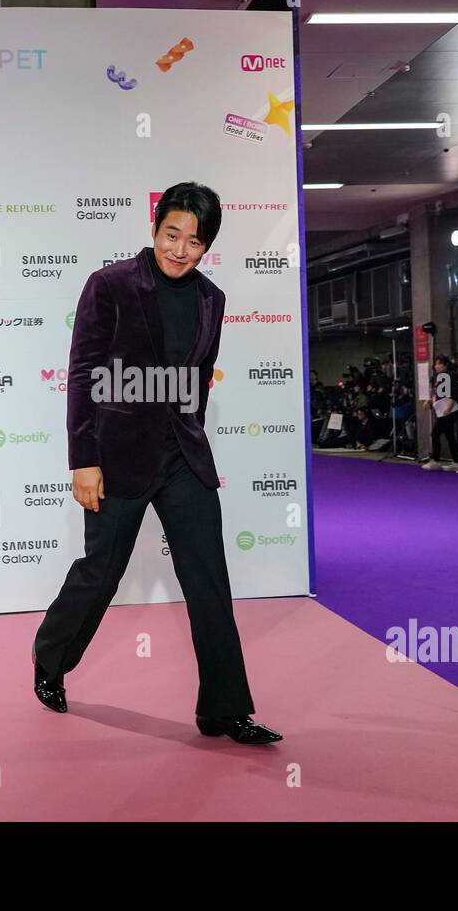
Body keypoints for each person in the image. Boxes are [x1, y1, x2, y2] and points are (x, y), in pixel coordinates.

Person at [31, 181, 282, 745]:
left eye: (194, 241)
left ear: (206, 246)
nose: (180, 249)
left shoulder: (212, 300)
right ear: (155, 228)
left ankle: (223, 708)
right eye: (172, 234)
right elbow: (84, 373)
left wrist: (186, 431)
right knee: (102, 573)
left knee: (209, 580)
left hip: (184, 458)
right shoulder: (111, 284)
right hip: (117, 457)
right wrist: (83, 459)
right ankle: (50, 657)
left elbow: (195, 380)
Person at [422, 354, 458, 469]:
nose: (437, 366)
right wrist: (429, 400)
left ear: (445, 365)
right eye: (436, 364)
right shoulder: (439, 377)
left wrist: (448, 409)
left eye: (440, 364)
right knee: (449, 436)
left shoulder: (448, 376)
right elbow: (439, 395)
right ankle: (456, 461)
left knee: (435, 433)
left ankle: (436, 460)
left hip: (447, 410)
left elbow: (454, 393)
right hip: (442, 409)